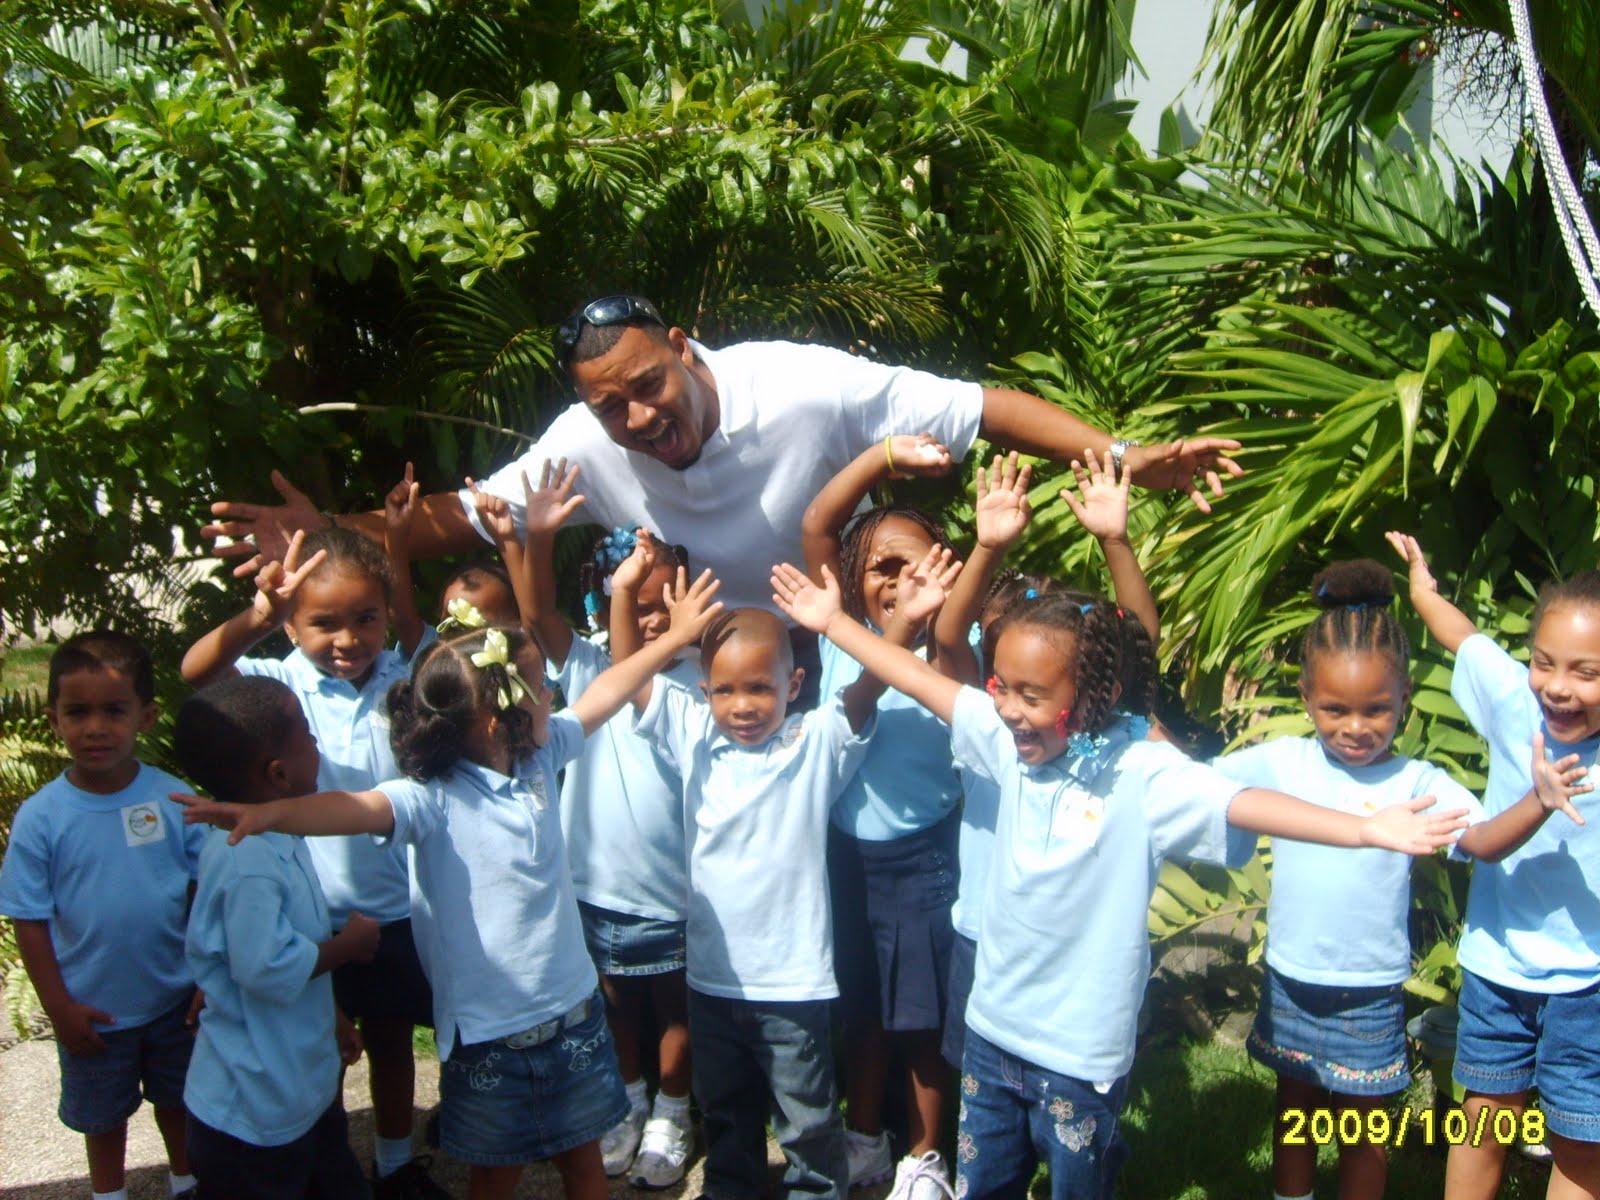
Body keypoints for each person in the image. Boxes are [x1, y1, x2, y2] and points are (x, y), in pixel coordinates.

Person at [770, 557, 1470, 1200]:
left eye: (1032, 694)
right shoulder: (1004, 739)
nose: (1009, 707)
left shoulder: (1141, 776)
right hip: (993, 1031)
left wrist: (1365, 827)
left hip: (1079, 1054)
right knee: (987, 1184)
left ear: (1096, 695)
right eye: (1000, 686)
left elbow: (1242, 803)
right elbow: (918, 677)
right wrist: (832, 623)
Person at [172, 571, 725, 1200]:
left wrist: (675, 637)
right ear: (498, 719)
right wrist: (269, 814)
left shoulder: (541, 756)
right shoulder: (430, 800)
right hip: (489, 1035)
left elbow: (610, 688)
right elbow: (351, 807)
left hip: (573, 1016)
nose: (555, 696)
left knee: (583, 1160)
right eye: (543, 687)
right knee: (494, 1172)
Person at [202, 294, 1243, 614]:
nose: (640, 421)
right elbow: (461, 518)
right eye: (613, 410)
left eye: (648, 387)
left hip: (846, 649)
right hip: (725, 677)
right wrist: (329, 532)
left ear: (685, 353)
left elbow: (985, 407)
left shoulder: (802, 383)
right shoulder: (585, 447)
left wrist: (1121, 452)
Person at [1209, 560, 1548, 1200]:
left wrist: (1540, 800)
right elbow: (1196, 783)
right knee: (1295, 1114)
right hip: (1292, 978)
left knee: (1364, 1130)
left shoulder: (1417, 783)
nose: (1355, 727)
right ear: (1306, 698)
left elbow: (1479, 840)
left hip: (1368, 990)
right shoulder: (1283, 761)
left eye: (1375, 709)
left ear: (1403, 699)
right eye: (1334, 709)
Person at [181, 470, 446, 1200]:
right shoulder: (279, 687)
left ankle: (394, 1166)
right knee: (308, 1044)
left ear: (386, 614)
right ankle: (314, 1155)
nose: (346, 638)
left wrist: (393, 542)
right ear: (293, 627)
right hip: (303, 912)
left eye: (365, 617)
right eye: (323, 623)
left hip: (387, 909)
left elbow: (426, 638)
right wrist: (259, 613)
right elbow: (198, 670)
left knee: (391, 1041)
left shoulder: (400, 677)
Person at [475, 459, 700, 1187]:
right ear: (601, 599)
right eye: (636, 597)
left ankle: (672, 1108)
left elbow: (639, 668)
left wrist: (632, 594)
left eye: (666, 602)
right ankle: (627, 1099)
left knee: (674, 1005)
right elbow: (536, 617)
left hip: (673, 888)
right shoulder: (585, 665)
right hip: (594, 883)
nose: (652, 615)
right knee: (611, 1002)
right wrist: (534, 540)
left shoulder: (703, 680)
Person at [929, 449, 1161, 1073]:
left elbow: (1137, 644)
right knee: (981, 1083)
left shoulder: (1105, 737)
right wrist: (987, 549)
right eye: (1003, 663)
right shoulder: (989, 721)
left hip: (1077, 948)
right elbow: (947, 639)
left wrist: (1116, 540)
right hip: (985, 930)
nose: (1015, 691)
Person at [1387, 533, 1600, 1200]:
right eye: (1545, 662)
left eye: (1586, 673)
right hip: (1497, 963)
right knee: (1485, 1117)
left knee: (1582, 1139)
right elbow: (1464, 637)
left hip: (1590, 982)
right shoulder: (1516, 701)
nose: (1558, 688)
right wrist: (1422, 586)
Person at [798, 433, 965, 1198]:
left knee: (926, 1019)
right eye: (883, 567)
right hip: (846, 862)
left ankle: (927, 1155)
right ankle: (865, 1138)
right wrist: (880, 457)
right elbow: (818, 526)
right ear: (851, 579)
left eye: (921, 564)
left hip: (927, 859)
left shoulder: (961, 649)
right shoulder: (840, 636)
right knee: (862, 1008)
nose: (902, 581)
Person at [0, 631, 203, 1200]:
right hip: (94, 1012)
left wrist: (209, 973)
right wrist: (59, 1007)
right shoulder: (42, 818)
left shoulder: (173, 800)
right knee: (102, 1117)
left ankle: (186, 1181)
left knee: (180, 1100)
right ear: (54, 720)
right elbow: (28, 917)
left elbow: (209, 887)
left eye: (114, 711)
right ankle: (108, 1194)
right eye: (78, 712)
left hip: (175, 999)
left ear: (147, 715)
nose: (95, 727)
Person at [173, 675, 379, 1199]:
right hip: (251, 1114)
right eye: (307, 734)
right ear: (278, 773)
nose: (317, 744)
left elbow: (278, 943)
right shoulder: (250, 861)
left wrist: (332, 1015)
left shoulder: (278, 834)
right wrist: (347, 948)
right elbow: (265, 967)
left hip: (296, 1087)